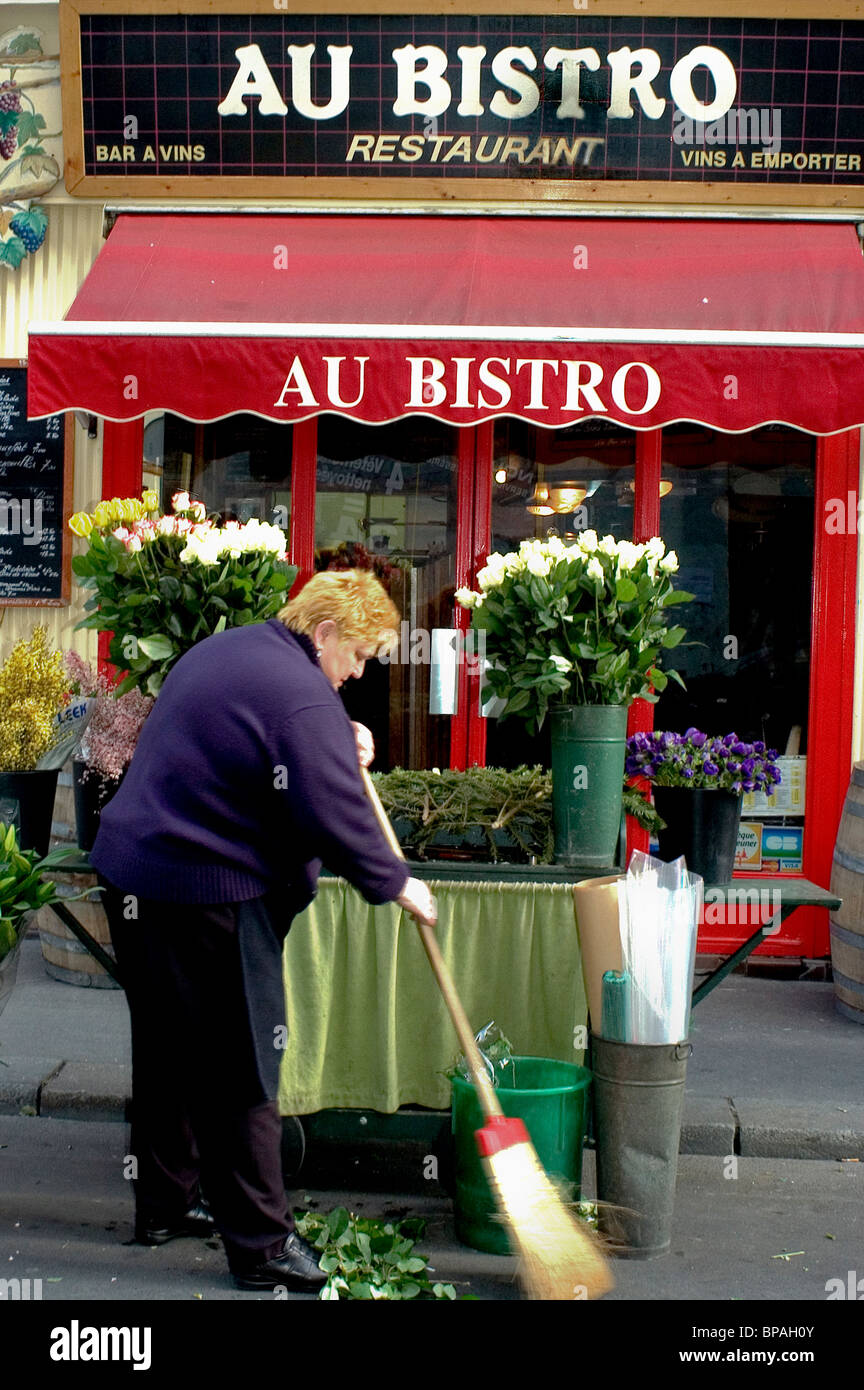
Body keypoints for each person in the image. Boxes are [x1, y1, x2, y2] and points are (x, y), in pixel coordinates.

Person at [91, 568, 437, 1292]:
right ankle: (262, 1248)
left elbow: (264, 737)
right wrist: (395, 881)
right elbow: (329, 808)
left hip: (136, 874)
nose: (357, 672)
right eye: (360, 656)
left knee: (167, 1050)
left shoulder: (239, 651)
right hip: (205, 891)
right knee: (243, 1065)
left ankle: (165, 1204)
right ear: (326, 633)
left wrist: (333, 737)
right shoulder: (301, 694)